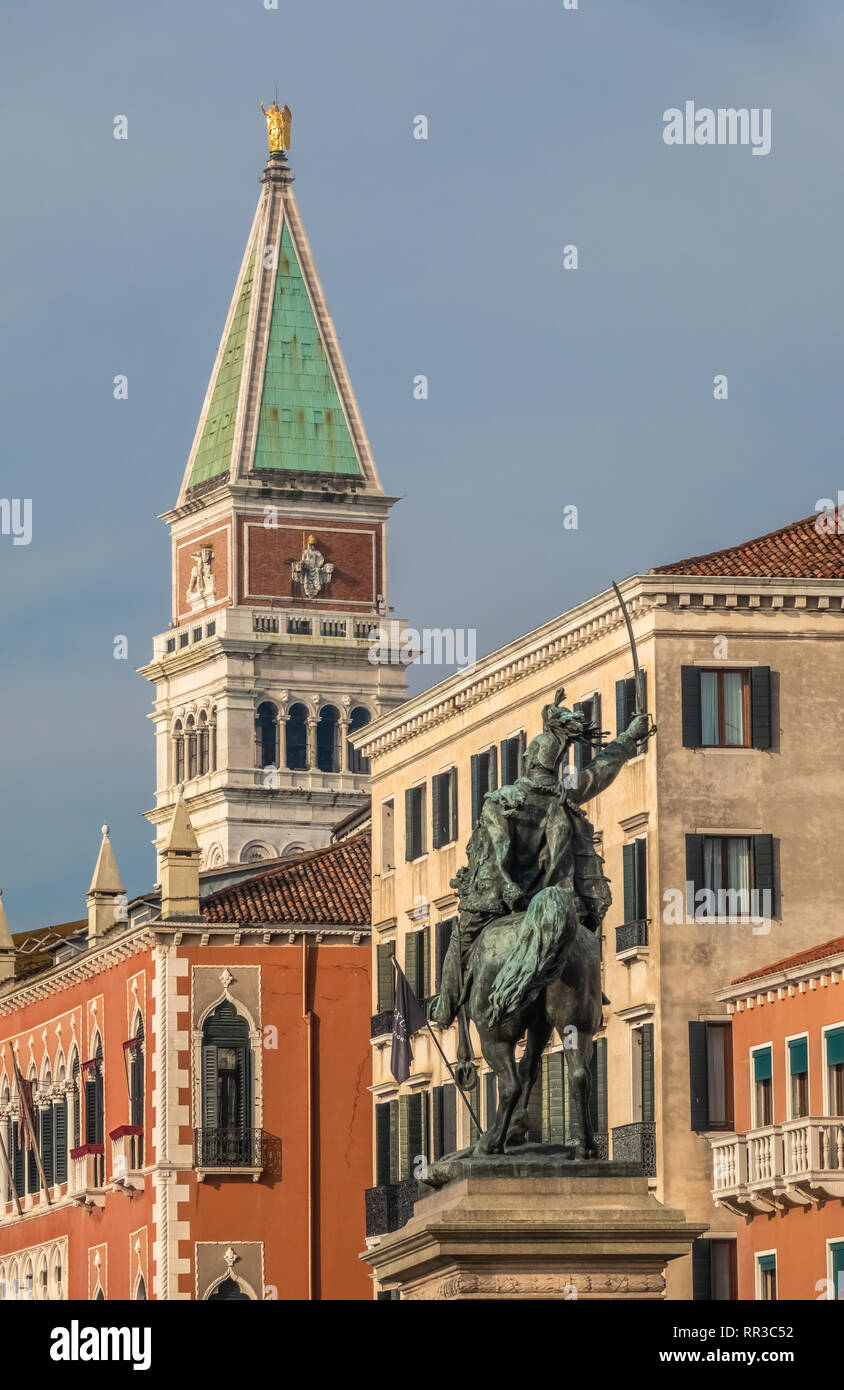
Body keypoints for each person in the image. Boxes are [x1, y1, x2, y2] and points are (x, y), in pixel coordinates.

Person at [428, 689, 649, 1029]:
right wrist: (630, 737)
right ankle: (591, 986)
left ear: (528, 763)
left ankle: (445, 1005)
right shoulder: (564, 794)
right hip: (564, 897)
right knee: (579, 935)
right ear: (552, 766)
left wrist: (507, 886)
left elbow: (499, 850)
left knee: (460, 938)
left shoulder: (502, 800)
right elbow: (600, 769)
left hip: (505, 900)